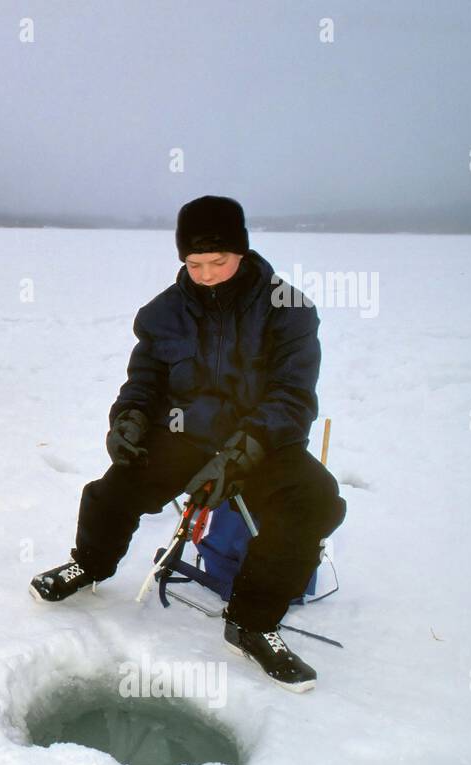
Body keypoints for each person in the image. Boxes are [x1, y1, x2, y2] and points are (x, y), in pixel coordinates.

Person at [29, 195, 346, 693]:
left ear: (243, 251)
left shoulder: (288, 309)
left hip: (262, 441)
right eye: (194, 263)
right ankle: (89, 565)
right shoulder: (163, 313)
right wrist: (129, 418)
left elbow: (293, 397)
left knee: (315, 502)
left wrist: (243, 452)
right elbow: (145, 381)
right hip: (184, 433)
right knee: (113, 491)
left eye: (218, 261)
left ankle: (253, 622)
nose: (207, 274)